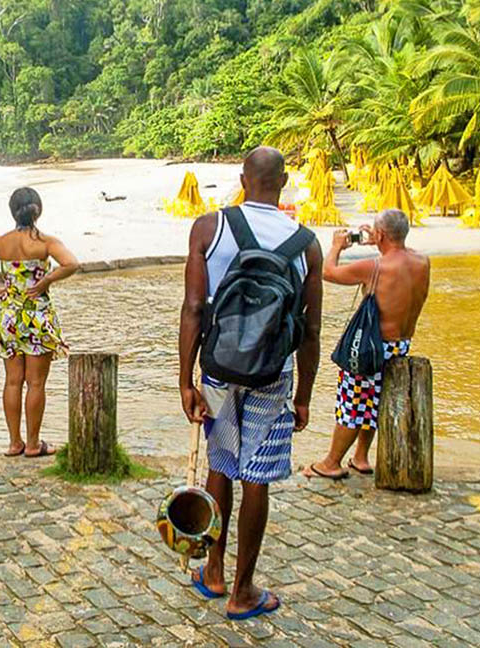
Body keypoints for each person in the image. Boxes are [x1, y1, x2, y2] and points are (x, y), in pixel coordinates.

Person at [178, 147, 323, 620]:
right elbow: (311, 329)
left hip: (219, 371)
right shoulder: (306, 244)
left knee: (220, 464)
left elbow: (194, 309)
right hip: (272, 377)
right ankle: (243, 591)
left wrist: (185, 381)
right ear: (283, 182)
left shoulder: (210, 227)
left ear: (242, 178)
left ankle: (214, 571)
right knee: (256, 476)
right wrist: (303, 396)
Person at [304, 208, 430, 480]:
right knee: (371, 403)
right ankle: (360, 457)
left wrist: (337, 246)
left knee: (354, 404)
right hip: (401, 345)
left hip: (371, 346)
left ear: (380, 234)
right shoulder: (422, 262)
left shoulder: (374, 267)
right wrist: (381, 241)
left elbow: (328, 272)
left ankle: (331, 463)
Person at [0, 187, 79, 458]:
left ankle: (14, 443)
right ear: (38, 210)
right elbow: (71, 264)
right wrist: (46, 280)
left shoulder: (0, 243)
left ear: (13, 211)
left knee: (12, 381)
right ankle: (34, 444)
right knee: (36, 383)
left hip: (10, 315)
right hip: (37, 315)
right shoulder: (46, 242)